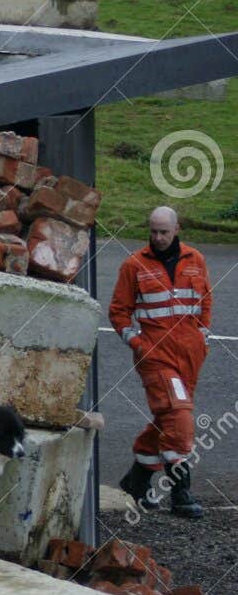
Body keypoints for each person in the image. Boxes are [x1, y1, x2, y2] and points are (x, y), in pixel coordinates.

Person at [110, 206, 211, 519]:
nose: (158, 237)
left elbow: (206, 300)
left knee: (167, 417)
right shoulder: (134, 265)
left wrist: (203, 337)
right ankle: (180, 494)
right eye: (153, 231)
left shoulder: (195, 260)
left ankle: (136, 481)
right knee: (179, 417)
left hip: (190, 356)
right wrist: (139, 345)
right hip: (156, 357)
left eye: (164, 231)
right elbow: (118, 312)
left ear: (177, 228)